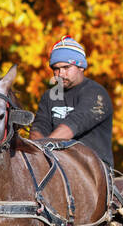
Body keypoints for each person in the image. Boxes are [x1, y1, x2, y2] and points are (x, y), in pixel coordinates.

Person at [29, 36, 114, 170]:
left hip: (94, 169)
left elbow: (74, 124)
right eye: (56, 69)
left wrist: (42, 149)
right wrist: (34, 152)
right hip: (56, 165)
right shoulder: (49, 96)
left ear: (80, 66)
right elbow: (38, 128)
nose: (60, 74)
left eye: (66, 67)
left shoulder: (97, 94)